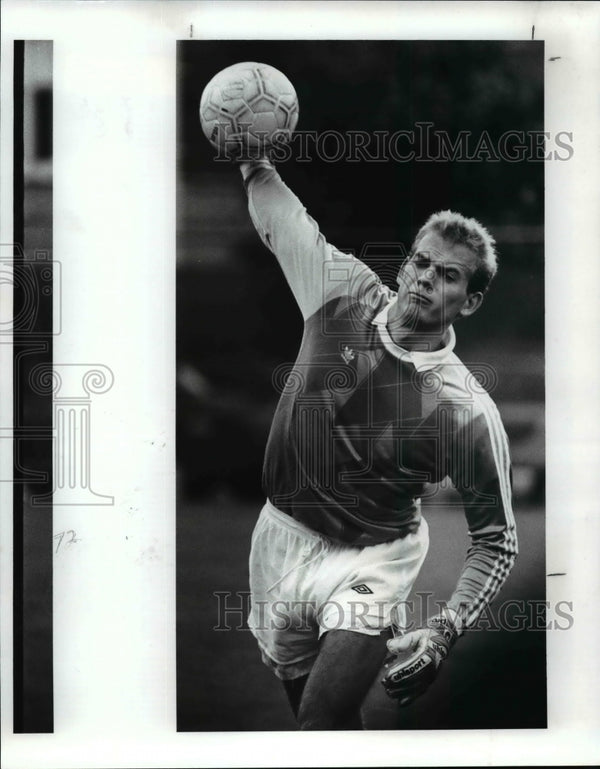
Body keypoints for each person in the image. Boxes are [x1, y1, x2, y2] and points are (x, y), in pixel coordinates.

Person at [235, 156, 517, 730]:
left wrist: (444, 633)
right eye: (420, 261)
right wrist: (251, 158)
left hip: (375, 556)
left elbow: (496, 540)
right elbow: (284, 218)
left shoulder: (464, 410)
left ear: (471, 300)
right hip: (279, 539)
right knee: (325, 730)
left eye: (449, 275)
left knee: (320, 719)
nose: (424, 278)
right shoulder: (340, 294)